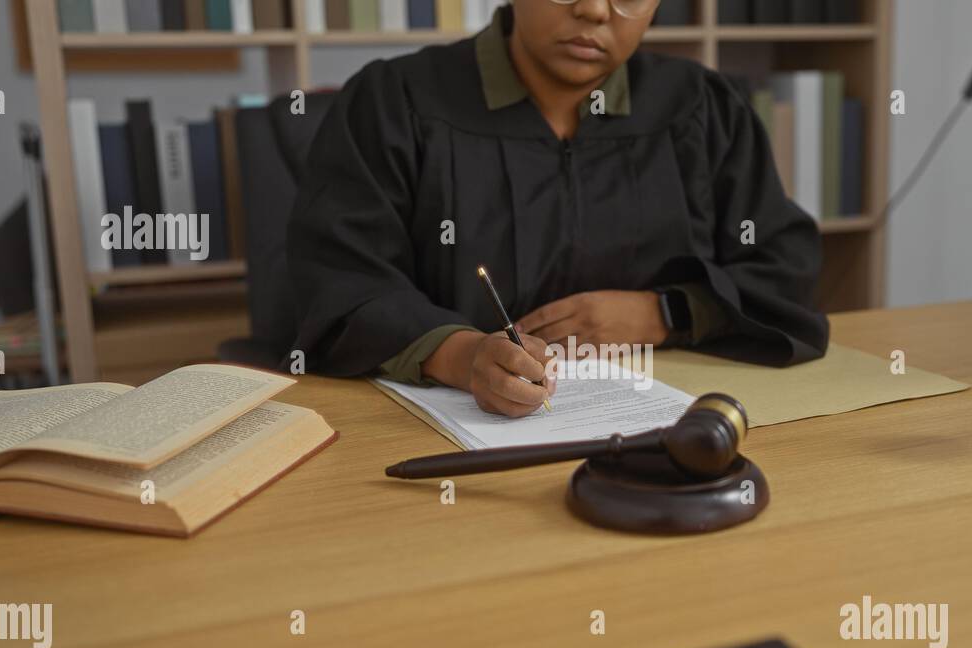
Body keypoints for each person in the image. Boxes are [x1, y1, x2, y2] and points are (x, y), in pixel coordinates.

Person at [287, 0, 829, 417]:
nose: (594, 9)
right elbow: (340, 278)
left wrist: (665, 313)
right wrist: (461, 355)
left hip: (660, 422)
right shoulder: (395, 101)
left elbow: (783, 264)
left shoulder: (703, 108)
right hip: (444, 428)